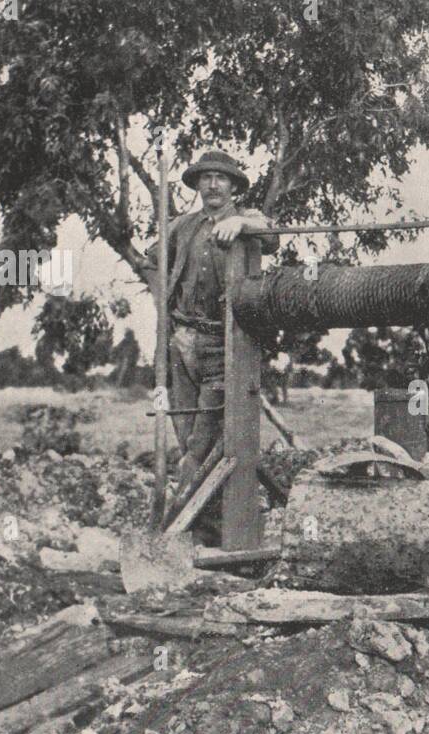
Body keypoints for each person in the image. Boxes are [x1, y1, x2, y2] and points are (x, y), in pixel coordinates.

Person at [147, 149, 279, 544]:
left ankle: (187, 527)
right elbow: (153, 258)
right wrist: (165, 305)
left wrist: (242, 223)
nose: (213, 185)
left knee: (204, 441)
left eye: (221, 179)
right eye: (205, 178)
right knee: (187, 436)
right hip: (181, 342)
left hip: (224, 344)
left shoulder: (248, 222)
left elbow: (271, 236)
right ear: (198, 185)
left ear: (234, 186)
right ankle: (203, 528)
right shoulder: (184, 226)